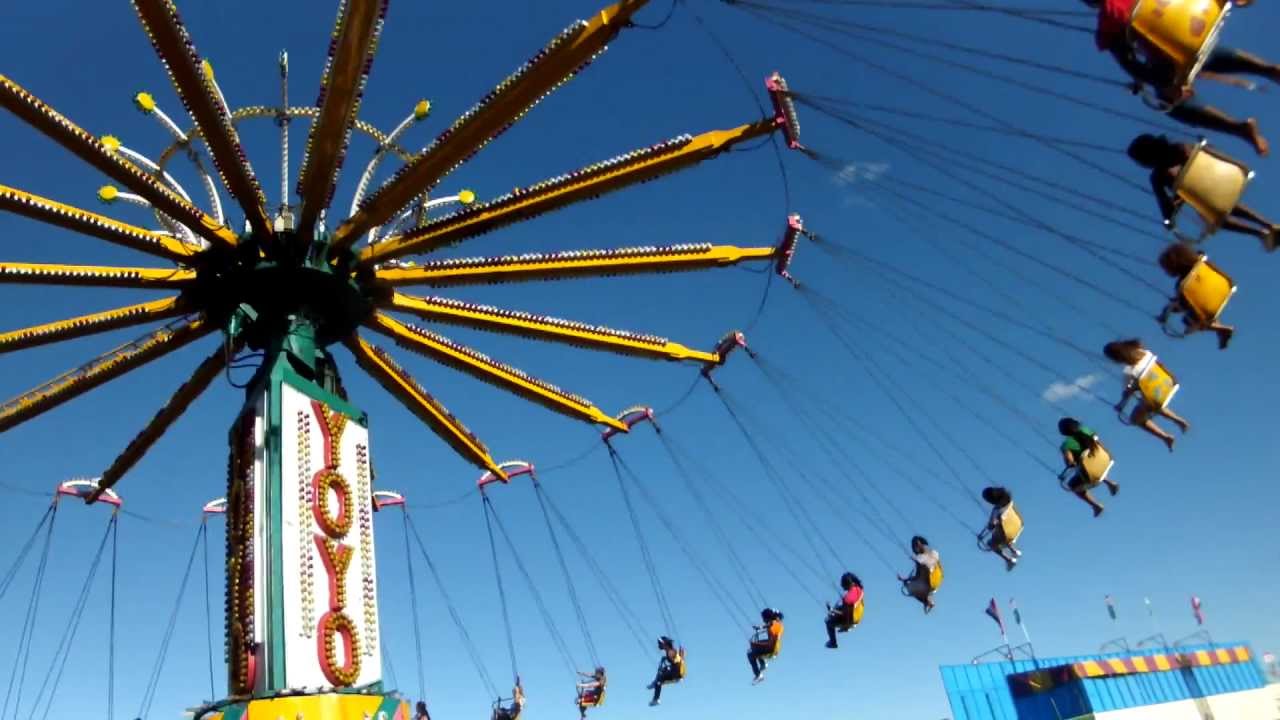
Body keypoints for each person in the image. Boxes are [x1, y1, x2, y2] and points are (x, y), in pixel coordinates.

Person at [1086, 0, 1274, 155]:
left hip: (1172, 58)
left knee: (1171, 104)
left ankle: (1238, 128)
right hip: (1198, 20)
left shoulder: (1108, 18)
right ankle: (1268, 69)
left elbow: (1131, 64)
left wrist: (1164, 84)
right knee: (1199, 49)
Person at [1128, 135, 1278, 249]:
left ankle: (1263, 229)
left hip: (1213, 183)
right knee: (1214, 210)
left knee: (1215, 209)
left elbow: (1195, 168)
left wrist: (1173, 209)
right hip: (1210, 189)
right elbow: (1165, 205)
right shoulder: (1168, 163)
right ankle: (1264, 230)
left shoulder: (1170, 161)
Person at [1103, 339, 1190, 450]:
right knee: (1148, 402)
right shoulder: (1145, 353)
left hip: (1156, 398)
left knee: (1135, 418)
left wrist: (1119, 406)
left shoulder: (1129, 372)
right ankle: (1180, 421)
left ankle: (1166, 436)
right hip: (1167, 384)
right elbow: (1159, 364)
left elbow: (1127, 394)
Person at [1157, 243, 1236, 348]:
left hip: (1206, 306)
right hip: (1224, 289)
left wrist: (1166, 313)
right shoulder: (1202, 263)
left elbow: (1182, 307)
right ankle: (1219, 329)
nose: (1165, 272)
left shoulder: (1183, 286)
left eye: (1165, 269)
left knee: (1187, 320)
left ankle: (1220, 329)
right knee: (1202, 302)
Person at [1058, 418, 1120, 517]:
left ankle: (1096, 505)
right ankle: (1110, 483)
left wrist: (1069, 467)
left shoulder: (1066, 445)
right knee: (1092, 462)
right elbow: (1099, 443)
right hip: (1105, 460)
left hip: (1091, 473)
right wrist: (1107, 453)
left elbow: (1070, 463)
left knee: (1072, 484)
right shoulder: (1087, 430)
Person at [981, 487, 1021, 571]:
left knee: (991, 543)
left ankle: (1009, 560)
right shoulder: (1009, 501)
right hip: (1017, 526)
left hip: (1006, 534)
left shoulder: (996, 511)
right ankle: (1014, 551)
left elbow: (991, 525)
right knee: (1004, 531)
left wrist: (990, 525)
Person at [899, 537, 940, 612]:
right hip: (934, 583)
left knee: (910, 588)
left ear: (918, 543)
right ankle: (927, 600)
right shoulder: (930, 554)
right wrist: (905, 579)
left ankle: (927, 600)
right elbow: (918, 576)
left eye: (914, 549)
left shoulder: (928, 555)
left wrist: (917, 560)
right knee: (909, 586)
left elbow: (928, 562)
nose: (914, 552)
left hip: (931, 581)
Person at [825, 572, 865, 648]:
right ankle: (844, 625)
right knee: (837, 607)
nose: (841, 586)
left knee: (827, 621)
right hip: (857, 614)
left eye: (842, 585)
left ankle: (833, 643)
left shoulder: (848, 598)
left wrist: (832, 610)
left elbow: (844, 613)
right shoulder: (858, 589)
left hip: (850, 619)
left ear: (846, 583)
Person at [748, 608, 784, 684]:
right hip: (774, 647)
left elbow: (776, 634)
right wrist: (759, 627)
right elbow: (768, 625)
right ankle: (763, 664)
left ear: (767, 618)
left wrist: (773, 642)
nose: (763, 620)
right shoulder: (774, 623)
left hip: (771, 648)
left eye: (763, 618)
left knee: (750, 654)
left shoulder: (775, 625)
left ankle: (758, 675)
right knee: (755, 646)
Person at [647, 636, 684, 706]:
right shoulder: (671, 650)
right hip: (678, 671)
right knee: (663, 669)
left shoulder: (670, 652)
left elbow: (673, 659)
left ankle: (656, 699)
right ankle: (655, 682)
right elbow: (677, 658)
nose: (658, 645)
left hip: (676, 673)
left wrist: (667, 659)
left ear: (665, 644)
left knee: (659, 679)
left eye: (660, 643)